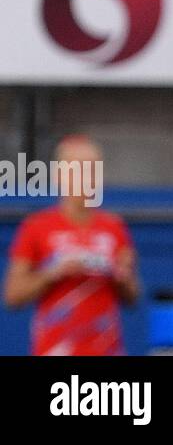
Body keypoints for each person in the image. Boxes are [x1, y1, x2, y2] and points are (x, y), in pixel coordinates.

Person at [3, 135, 141, 356]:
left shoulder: (114, 227)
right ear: (59, 176)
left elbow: (133, 296)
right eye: (78, 170)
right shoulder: (36, 227)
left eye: (93, 170)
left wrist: (122, 277)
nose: (87, 179)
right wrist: (53, 272)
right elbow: (12, 295)